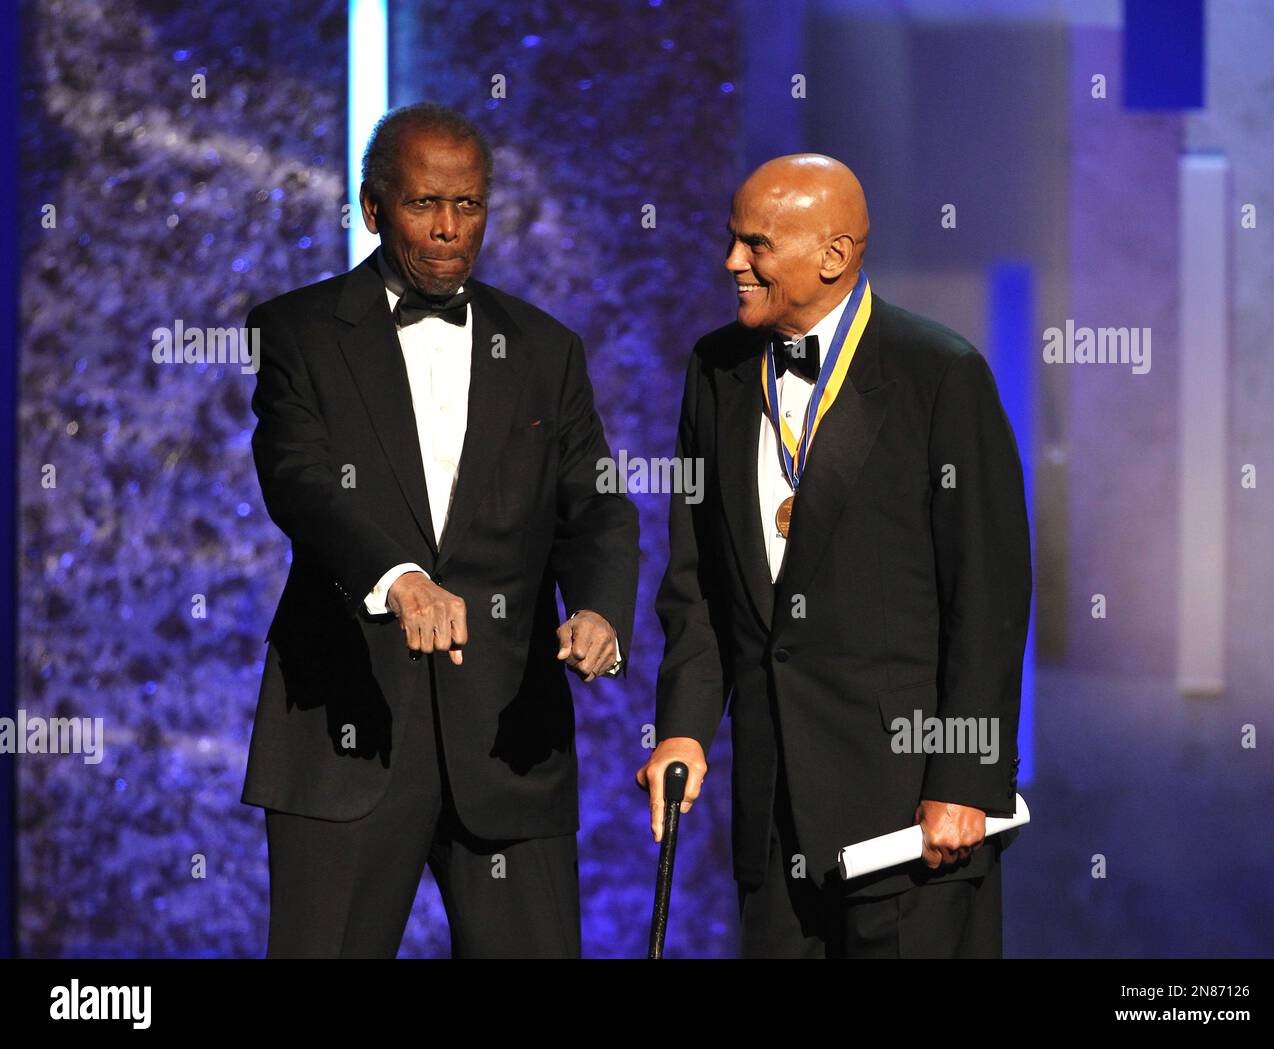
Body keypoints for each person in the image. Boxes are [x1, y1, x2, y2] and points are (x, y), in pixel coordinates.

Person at [242, 103, 639, 958]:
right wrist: (397, 578)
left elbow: (596, 502)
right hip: (346, 734)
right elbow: (300, 480)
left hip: (509, 738)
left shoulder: (545, 349)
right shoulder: (300, 333)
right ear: (373, 207)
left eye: (470, 206)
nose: (450, 229)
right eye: (425, 204)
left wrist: (602, 609)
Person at [638, 153, 1031, 958]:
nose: (731, 263)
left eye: (755, 244)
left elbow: (988, 597)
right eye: (731, 240)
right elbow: (699, 578)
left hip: (911, 819)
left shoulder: (940, 374)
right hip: (773, 812)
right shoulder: (715, 371)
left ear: (834, 255)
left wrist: (965, 783)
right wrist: (683, 727)